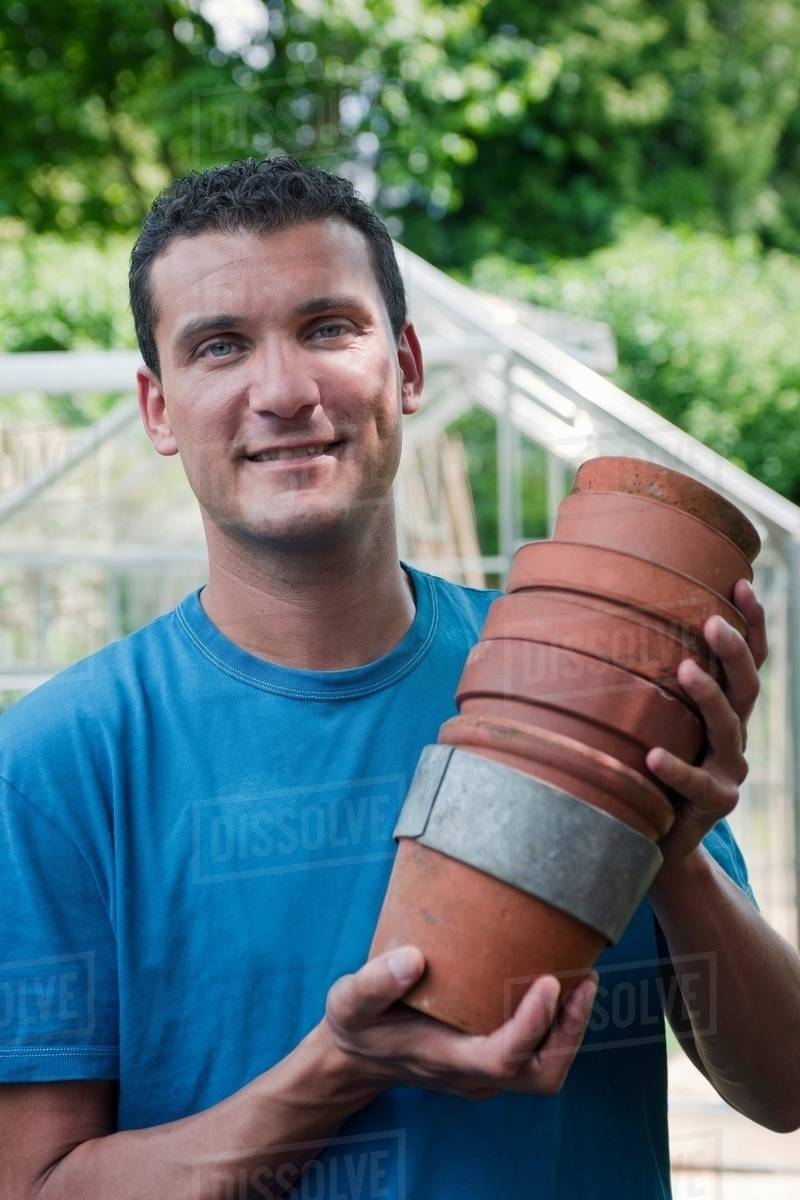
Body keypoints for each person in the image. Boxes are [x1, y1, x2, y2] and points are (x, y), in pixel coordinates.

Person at [1, 157, 798, 1200]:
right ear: (158, 408)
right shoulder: (58, 763)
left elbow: (781, 1090)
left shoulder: (576, 675)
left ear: (406, 366)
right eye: (220, 346)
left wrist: (673, 849)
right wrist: (339, 1069)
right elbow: (38, 1184)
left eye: (328, 328)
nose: (283, 392)